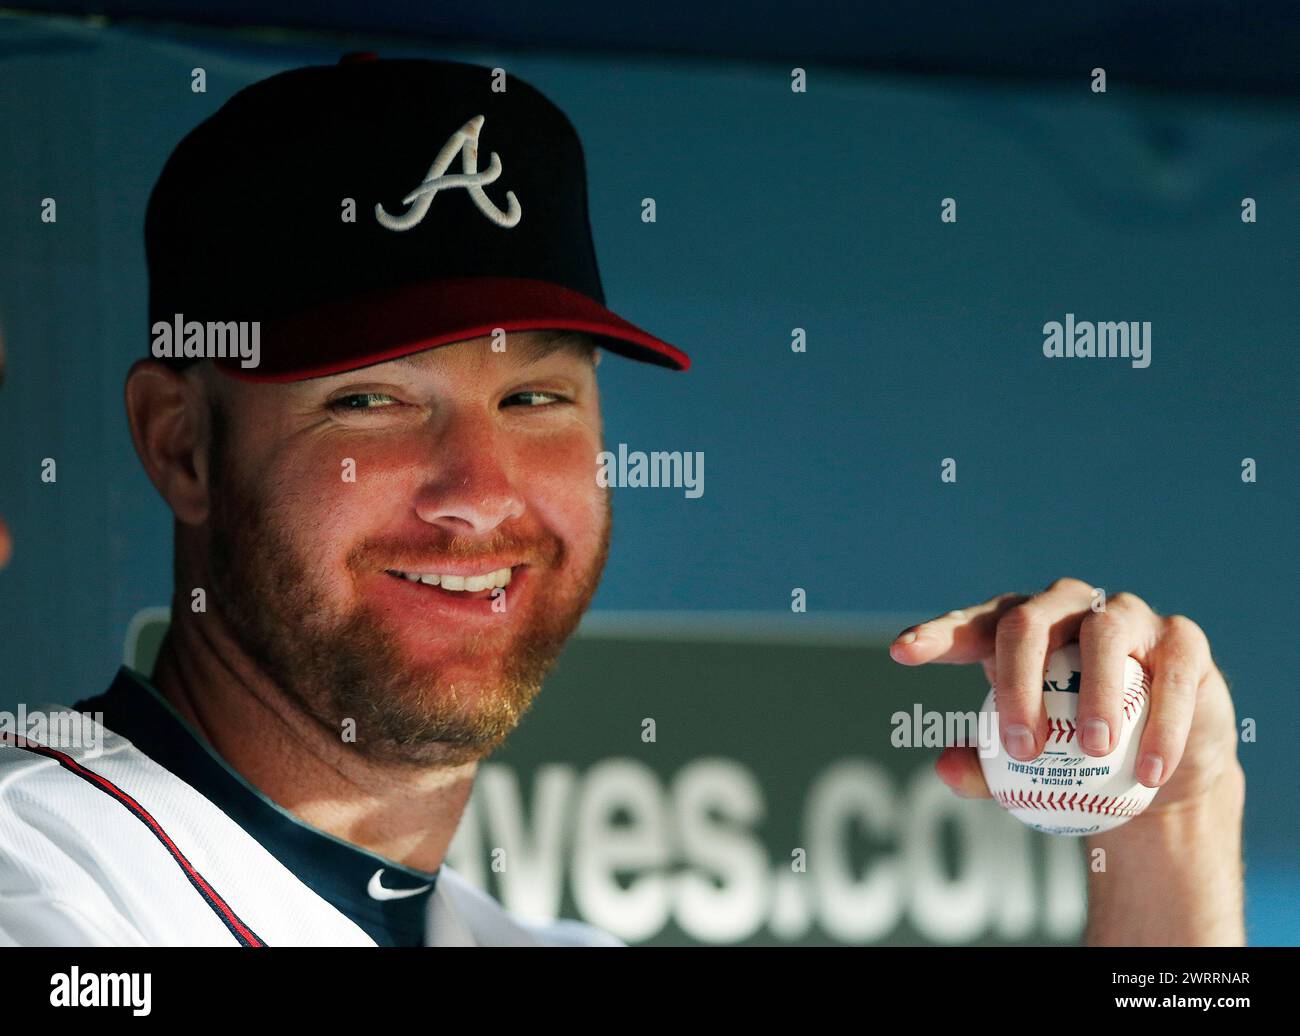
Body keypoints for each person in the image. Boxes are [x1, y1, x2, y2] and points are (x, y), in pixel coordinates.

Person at [0, 56, 1244, 947]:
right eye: (372, 403)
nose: (478, 496)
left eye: (536, 398)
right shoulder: (38, 876)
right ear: (182, 446)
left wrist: (1164, 833)